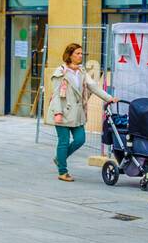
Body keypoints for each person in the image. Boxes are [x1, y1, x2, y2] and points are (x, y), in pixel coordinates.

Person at [49, 42, 114, 182]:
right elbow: (55, 95)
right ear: (69, 55)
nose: (80, 56)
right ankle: (63, 171)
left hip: (78, 113)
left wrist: (109, 98)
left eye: (81, 53)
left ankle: (60, 158)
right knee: (64, 142)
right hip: (62, 112)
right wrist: (57, 113)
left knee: (80, 139)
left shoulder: (82, 71)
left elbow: (94, 87)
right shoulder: (60, 72)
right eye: (77, 53)